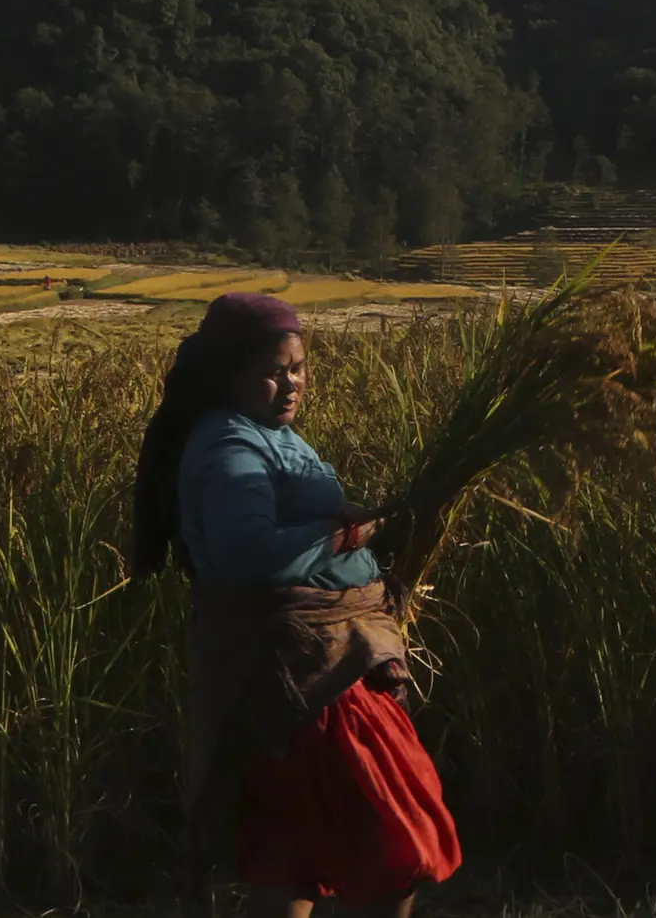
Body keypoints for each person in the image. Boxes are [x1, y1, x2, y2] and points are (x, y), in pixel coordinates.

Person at [130, 293, 460, 918]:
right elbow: (254, 557)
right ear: (230, 374)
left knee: (296, 857)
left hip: (305, 674)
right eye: (274, 369)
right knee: (397, 840)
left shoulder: (267, 434)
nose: (291, 382)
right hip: (307, 680)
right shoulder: (231, 448)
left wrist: (380, 531)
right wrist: (350, 534)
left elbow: (295, 534)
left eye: (299, 367)